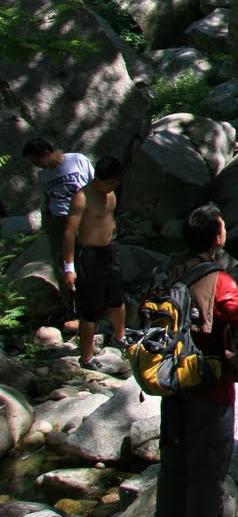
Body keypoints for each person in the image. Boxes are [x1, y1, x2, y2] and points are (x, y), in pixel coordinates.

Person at [156, 203, 238, 517]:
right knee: (207, 467)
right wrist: (236, 358)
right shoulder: (219, 280)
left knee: (173, 456)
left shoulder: (169, 272)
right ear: (217, 237)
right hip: (210, 385)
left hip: (172, 381)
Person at [63, 156, 127, 369]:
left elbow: (109, 218)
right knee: (90, 309)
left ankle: (121, 337)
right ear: (98, 178)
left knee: (117, 298)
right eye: (109, 183)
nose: (112, 187)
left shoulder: (111, 193)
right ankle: (87, 358)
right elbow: (69, 232)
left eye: (115, 183)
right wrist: (69, 267)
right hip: (87, 255)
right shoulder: (83, 197)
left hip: (108, 250)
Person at [22, 139, 94, 316]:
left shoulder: (77, 160)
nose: (37, 166)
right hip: (59, 221)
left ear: (47, 153)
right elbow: (47, 200)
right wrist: (47, 223)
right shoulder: (43, 175)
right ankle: (73, 308)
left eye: (37, 161)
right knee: (62, 264)